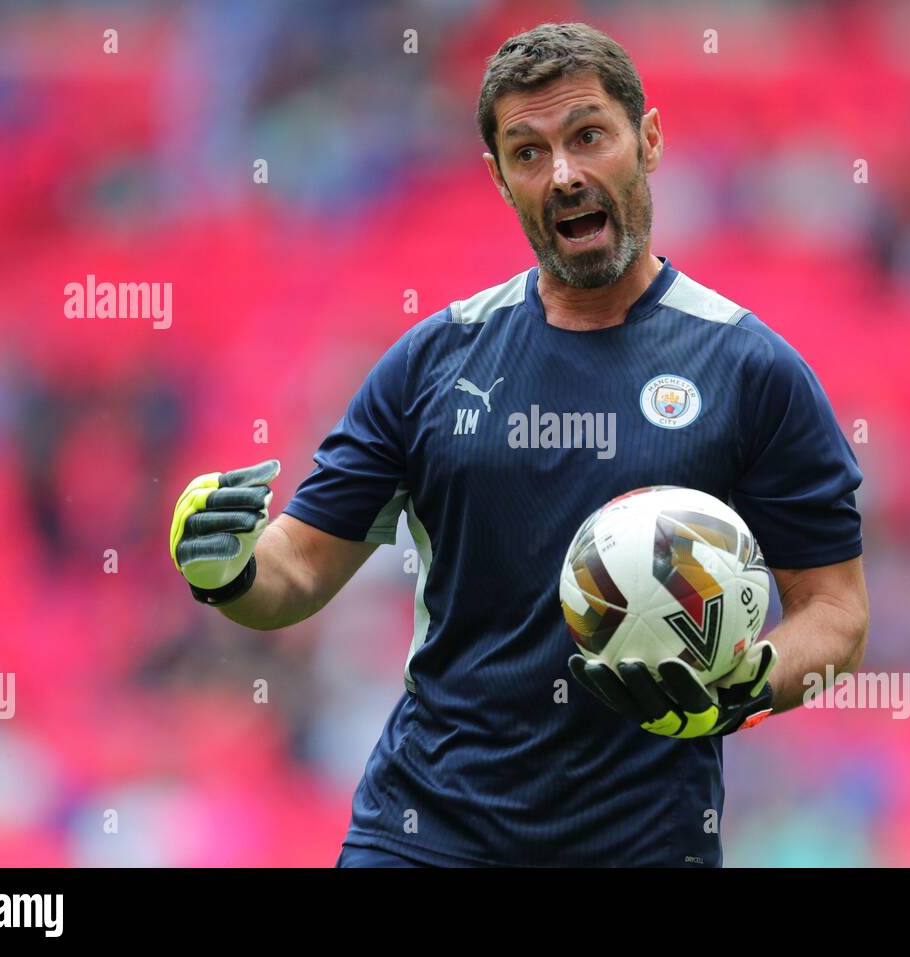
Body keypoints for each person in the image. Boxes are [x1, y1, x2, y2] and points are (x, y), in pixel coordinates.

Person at [168, 21, 869, 868]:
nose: (564, 172)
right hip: (427, 831)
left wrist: (744, 685)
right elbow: (297, 570)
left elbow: (836, 612)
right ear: (501, 179)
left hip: (645, 843)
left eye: (588, 137)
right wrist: (229, 570)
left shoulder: (750, 370)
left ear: (646, 142)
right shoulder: (433, 363)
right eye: (529, 152)